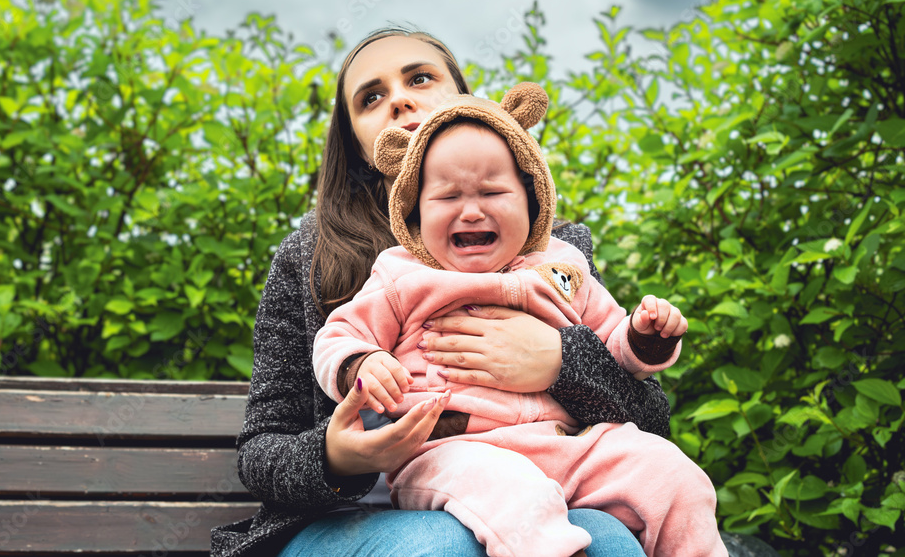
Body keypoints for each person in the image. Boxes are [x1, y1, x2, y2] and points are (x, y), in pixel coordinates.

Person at [210, 28, 675, 557]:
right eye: (371, 96)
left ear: (468, 104)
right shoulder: (310, 256)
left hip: (537, 492)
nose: (399, 98)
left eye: (419, 77)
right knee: (444, 543)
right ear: (365, 146)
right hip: (347, 519)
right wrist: (337, 456)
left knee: (611, 542)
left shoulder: (553, 250)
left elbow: (651, 420)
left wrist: (560, 362)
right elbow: (262, 449)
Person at [312, 82, 728, 557]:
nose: (471, 210)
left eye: (493, 191)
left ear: (532, 202)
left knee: (671, 474)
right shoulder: (401, 275)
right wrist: (360, 364)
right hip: (454, 453)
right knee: (520, 501)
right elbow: (340, 335)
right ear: (413, 213)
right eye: (446, 198)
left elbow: (610, 345)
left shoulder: (563, 267)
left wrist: (642, 336)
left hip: (569, 443)